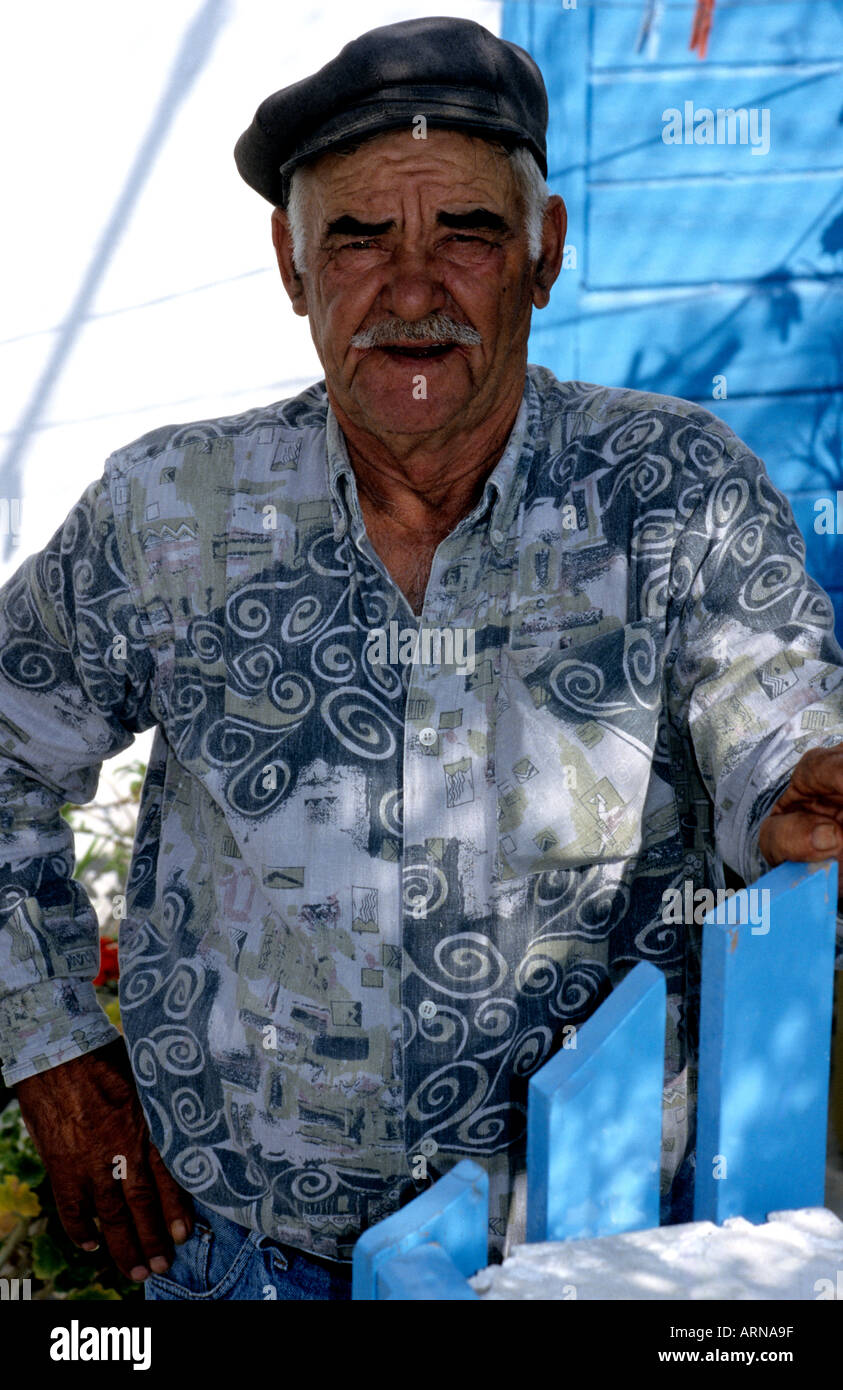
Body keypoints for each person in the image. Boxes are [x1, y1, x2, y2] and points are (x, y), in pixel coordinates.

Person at [2, 16, 842, 1302]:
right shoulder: (171, 510)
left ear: (545, 253)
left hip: (587, 1251)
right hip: (230, 1257)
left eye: (467, 231)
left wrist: (798, 796)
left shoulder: (677, 491)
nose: (411, 288)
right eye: (355, 239)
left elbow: (776, 737)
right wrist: (52, 1051)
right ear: (290, 268)